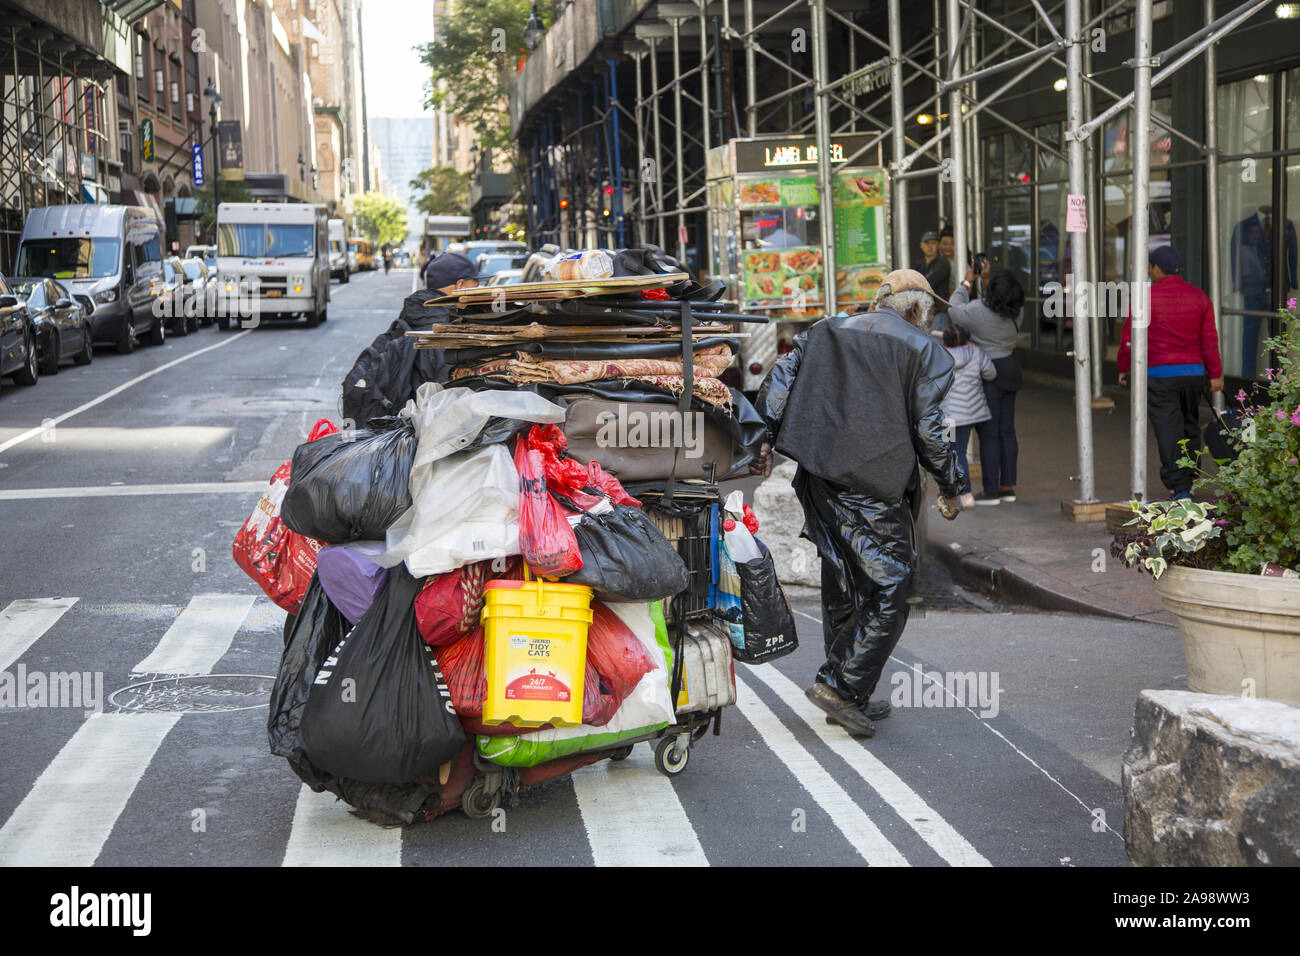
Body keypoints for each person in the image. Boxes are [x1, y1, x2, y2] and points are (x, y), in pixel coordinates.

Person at [752, 269, 963, 738]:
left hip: (821, 475)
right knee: (892, 584)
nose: (928, 323)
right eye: (928, 314)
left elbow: (777, 384)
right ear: (915, 310)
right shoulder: (925, 350)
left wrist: (762, 441)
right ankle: (841, 686)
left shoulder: (827, 329)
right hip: (872, 482)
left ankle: (852, 688)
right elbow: (930, 432)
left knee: (844, 578)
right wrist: (951, 484)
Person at [1116, 245, 1223, 500]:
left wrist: (1123, 368)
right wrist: (1215, 374)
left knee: (1168, 429)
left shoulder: (1144, 299)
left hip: (1159, 375)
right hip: (1193, 375)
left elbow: (1129, 339)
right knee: (1189, 425)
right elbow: (1209, 340)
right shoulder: (1199, 297)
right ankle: (1191, 475)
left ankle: (1181, 488)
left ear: (1155, 268)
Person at [343, 252, 487, 427]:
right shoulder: (444, 334)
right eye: (476, 285)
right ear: (460, 285)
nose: (479, 291)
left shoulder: (411, 317)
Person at [949, 259, 1024, 504]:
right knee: (1007, 431)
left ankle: (991, 490)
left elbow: (953, 308)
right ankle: (1007, 486)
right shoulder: (1017, 310)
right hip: (1011, 367)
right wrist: (988, 280)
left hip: (989, 370)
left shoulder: (978, 311)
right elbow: (1000, 298)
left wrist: (968, 281)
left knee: (989, 434)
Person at [940, 323, 995, 497]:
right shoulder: (976, 352)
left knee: (954, 452)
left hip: (951, 416)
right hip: (978, 412)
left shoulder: (940, 357)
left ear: (944, 341)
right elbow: (991, 374)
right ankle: (991, 487)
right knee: (987, 446)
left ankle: (965, 493)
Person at [917, 229, 951, 300]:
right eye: (926, 243)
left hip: (939, 306)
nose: (929, 246)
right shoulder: (919, 264)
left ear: (938, 245)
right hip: (921, 305)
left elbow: (929, 283)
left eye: (933, 243)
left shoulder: (943, 263)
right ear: (921, 245)